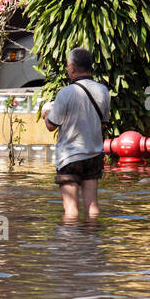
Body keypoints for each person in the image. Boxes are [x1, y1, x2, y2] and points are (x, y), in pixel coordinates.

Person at [42, 46, 110, 219]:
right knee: (92, 206)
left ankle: (73, 245)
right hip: (94, 154)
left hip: (70, 157)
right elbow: (103, 124)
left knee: (71, 210)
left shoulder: (66, 93)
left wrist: (45, 114)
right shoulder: (102, 90)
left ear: (72, 67)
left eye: (67, 66)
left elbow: (51, 126)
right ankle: (91, 244)